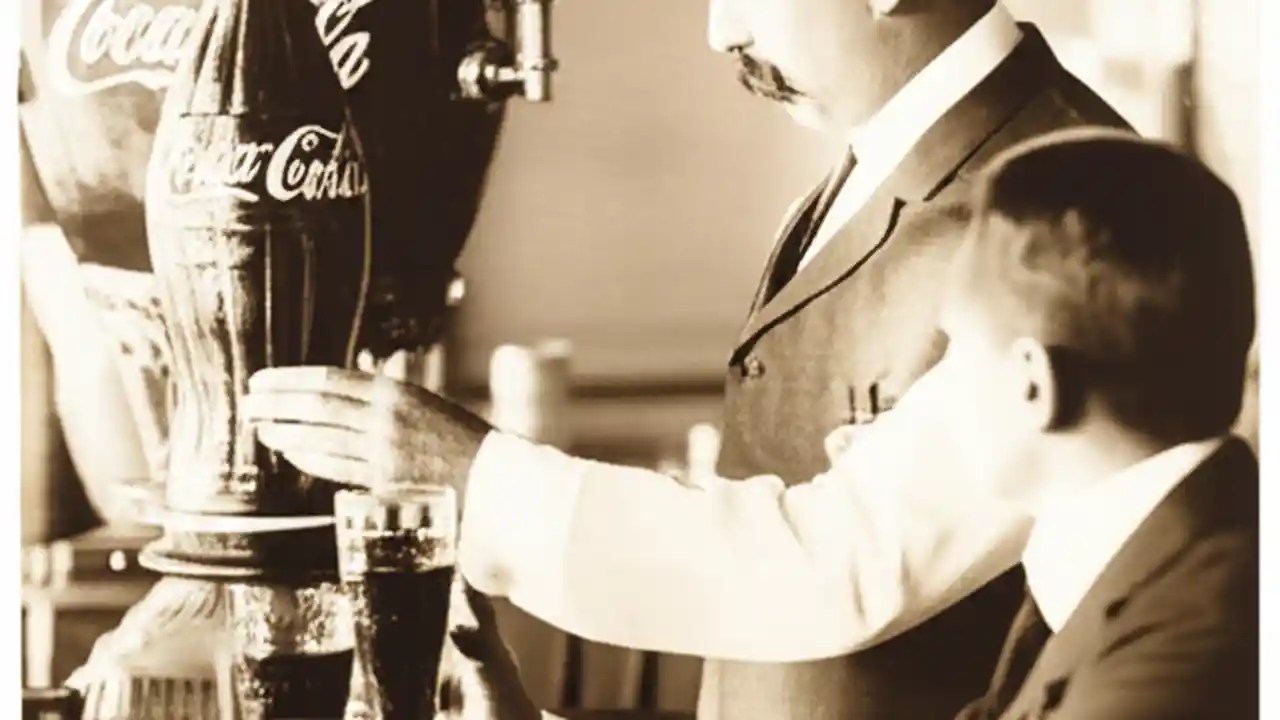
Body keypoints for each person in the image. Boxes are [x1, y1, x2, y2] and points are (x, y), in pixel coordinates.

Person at [244, 0, 1132, 716]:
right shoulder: (863, 173)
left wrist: (483, 480)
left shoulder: (1078, 206)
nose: (722, 32)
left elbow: (846, 565)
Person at [309, 129, 1259, 720]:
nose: (861, 444)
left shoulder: (1192, 649)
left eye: (948, 357)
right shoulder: (1148, 566)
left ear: (1030, 387)